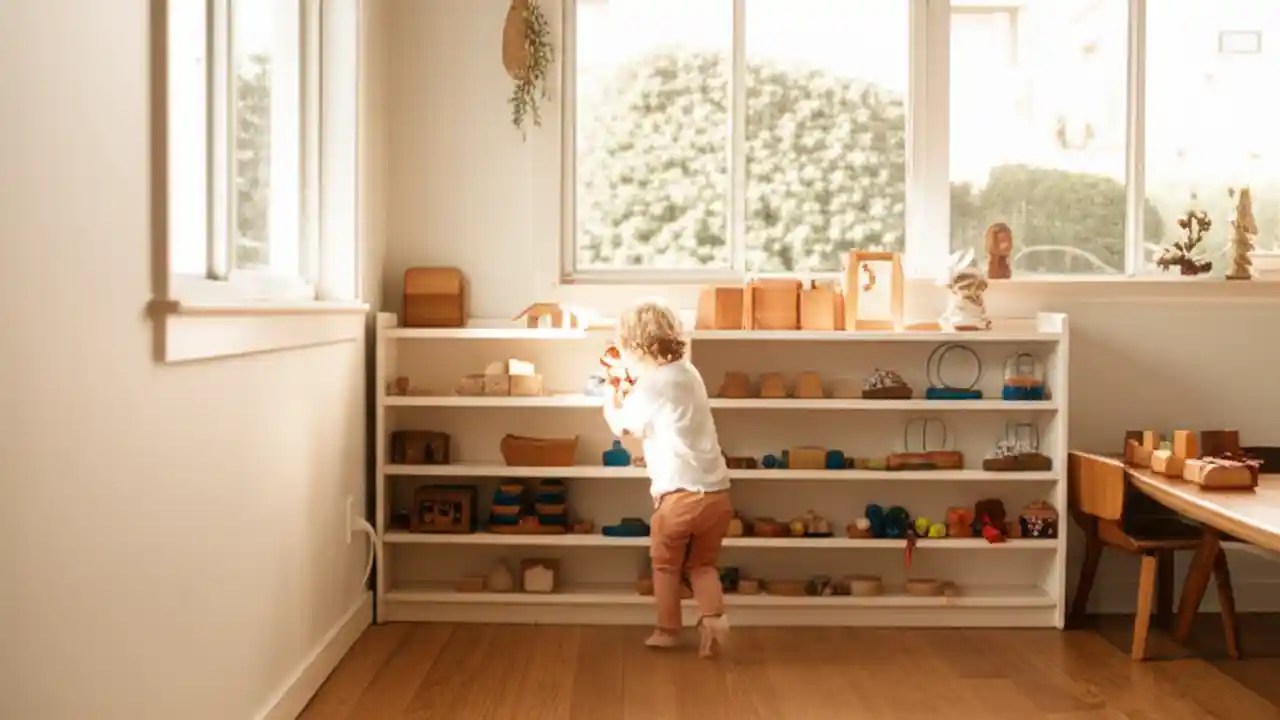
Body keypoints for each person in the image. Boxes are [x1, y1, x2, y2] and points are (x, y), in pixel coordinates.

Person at [602, 300, 732, 658]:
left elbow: (624, 425)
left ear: (635, 345)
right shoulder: (689, 373)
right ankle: (714, 619)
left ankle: (667, 630)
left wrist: (609, 395)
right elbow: (668, 422)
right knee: (702, 565)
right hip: (718, 495)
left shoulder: (654, 383)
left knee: (665, 565)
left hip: (679, 498)